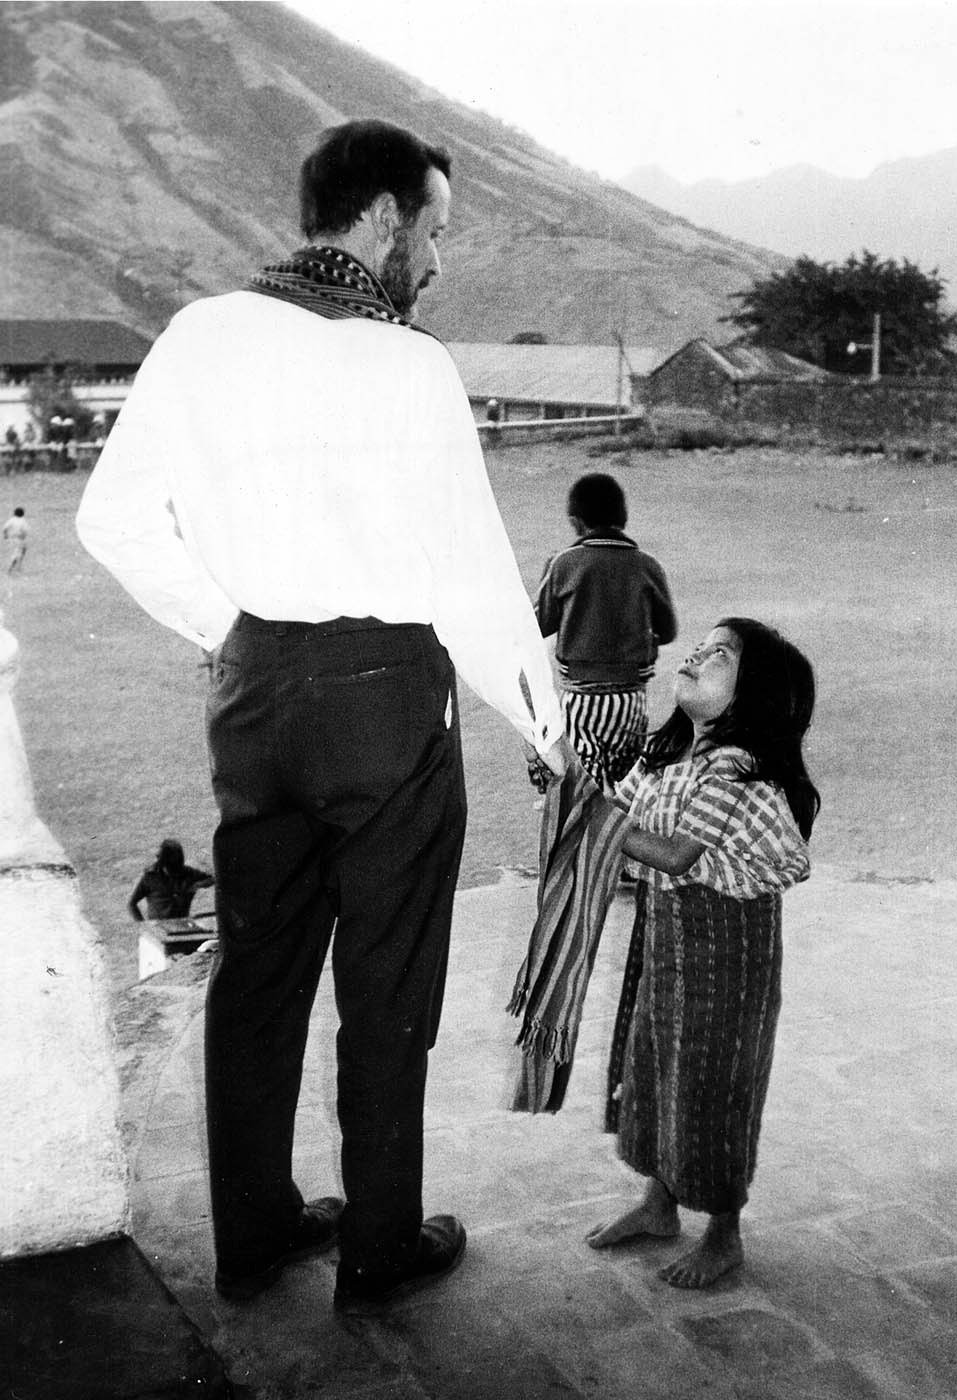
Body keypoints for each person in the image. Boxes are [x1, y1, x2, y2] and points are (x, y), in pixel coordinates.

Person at [76, 118, 565, 1313]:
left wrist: (232, 626)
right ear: (386, 218)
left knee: (257, 971)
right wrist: (556, 730)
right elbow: (472, 578)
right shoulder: (408, 364)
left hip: (253, 692)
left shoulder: (199, 334)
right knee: (386, 985)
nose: (436, 260)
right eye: (433, 231)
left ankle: (254, 1233)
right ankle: (378, 1247)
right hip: (385, 698)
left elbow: (111, 520)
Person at [585, 617, 820, 1287]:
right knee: (657, 1065)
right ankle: (659, 1205)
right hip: (667, 941)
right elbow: (620, 806)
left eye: (720, 656)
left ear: (754, 696)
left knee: (714, 1084)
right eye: (700, 646)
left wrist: (593, 817)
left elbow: (673, 854)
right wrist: (574, 781)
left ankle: (724, 1233)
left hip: (728, 958)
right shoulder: (669, 758)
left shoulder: (734, 771)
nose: (696, 655)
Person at [534, 473, 676, 789]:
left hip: (581, 700)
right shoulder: (648, 565)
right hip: (631, 699)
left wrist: (548, 577)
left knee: (580, 787)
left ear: (576, 522)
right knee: (626, 789)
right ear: (622, 518)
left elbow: (539, 625)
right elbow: (668, 631)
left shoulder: (564, 563)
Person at [127, 838, 215, 922]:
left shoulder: (188, 873)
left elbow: (212, 879)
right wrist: (143, 925)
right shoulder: (150, 877)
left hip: (182, 924)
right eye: (168, 868)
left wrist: (197, 885)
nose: (172, 872)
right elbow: (132, 904)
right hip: (158, 926)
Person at [3, 507, 27, 574]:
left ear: (14, 513)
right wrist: (23, 537)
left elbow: (4, 528)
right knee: (19, 552)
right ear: (23, 514)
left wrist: (5, 535)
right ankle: (12, 568)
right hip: (19, 538)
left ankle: (17, 566)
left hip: (11, 538)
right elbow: (25, 531)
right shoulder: (23, 521)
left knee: (18, 550)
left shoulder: (12, 520)